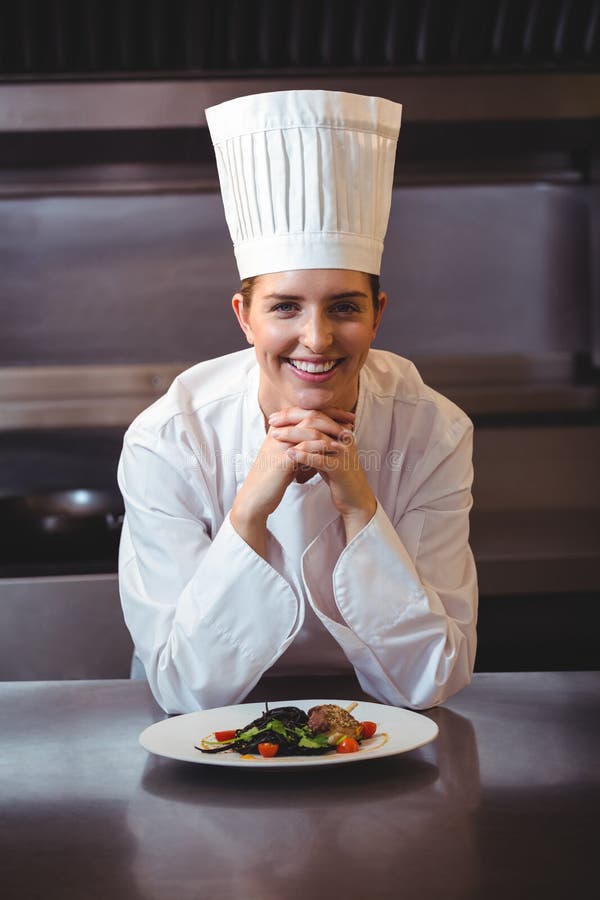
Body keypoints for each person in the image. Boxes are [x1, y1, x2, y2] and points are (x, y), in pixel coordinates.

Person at [117, 90, 477, 714]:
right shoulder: (170, 438)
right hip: (213, 727)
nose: (317, 339)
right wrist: (251, 509)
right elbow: (183, 686)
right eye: (285, 306)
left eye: (345, 306)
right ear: (244, 317)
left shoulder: (432, 430)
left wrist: (361, 505)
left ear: (378, 314)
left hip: (379, 717)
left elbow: (434, 678)